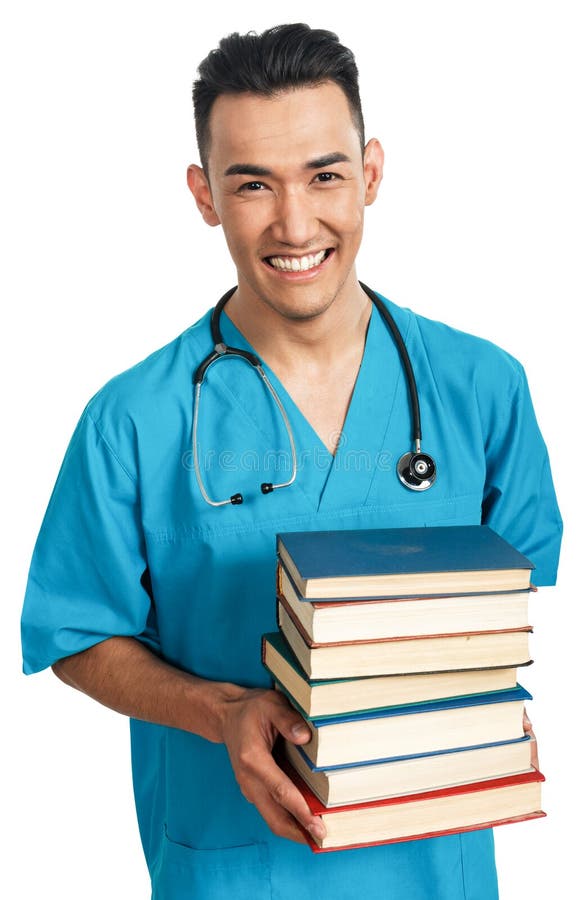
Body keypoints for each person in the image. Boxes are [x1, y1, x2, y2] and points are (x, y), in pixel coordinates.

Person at [21, 22, 562, 900]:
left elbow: (515, 588)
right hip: (236, 871)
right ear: (204, 196)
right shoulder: (135, 418)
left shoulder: (481, 387)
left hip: (436, 866)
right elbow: (77, 634)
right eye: (252, 186)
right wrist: (221, 709)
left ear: (372, 173)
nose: (295, 222)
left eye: (325, 175)